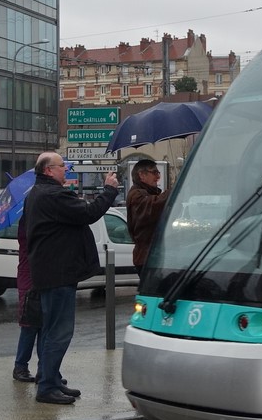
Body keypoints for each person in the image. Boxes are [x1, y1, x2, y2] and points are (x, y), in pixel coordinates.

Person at [20, 152, 119, 406]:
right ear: (49, 171)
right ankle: (47, 386)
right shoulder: (53, 195)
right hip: (58, 273)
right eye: (63, 166)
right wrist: (108, 190)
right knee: (59, 332)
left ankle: (50, 379)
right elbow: (88, 213)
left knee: (52, 330)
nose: (67, 170)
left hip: (52, 272)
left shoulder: (37, 193)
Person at [124, 157, 170, 270]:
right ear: (142, 175)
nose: (158, 177)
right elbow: (153, 206)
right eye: (154, 172)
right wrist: (174, 190)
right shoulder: (137, 195)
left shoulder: (147, 193)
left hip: (152, 256)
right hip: (147, 258)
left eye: (158, 172)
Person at [11, 215, 38, 383]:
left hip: (33, 277)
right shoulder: (28, 222)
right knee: (29, 325)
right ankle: (20, 366)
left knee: (41, 325)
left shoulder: (28, 220)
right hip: (29, 279)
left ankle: (45, 369)